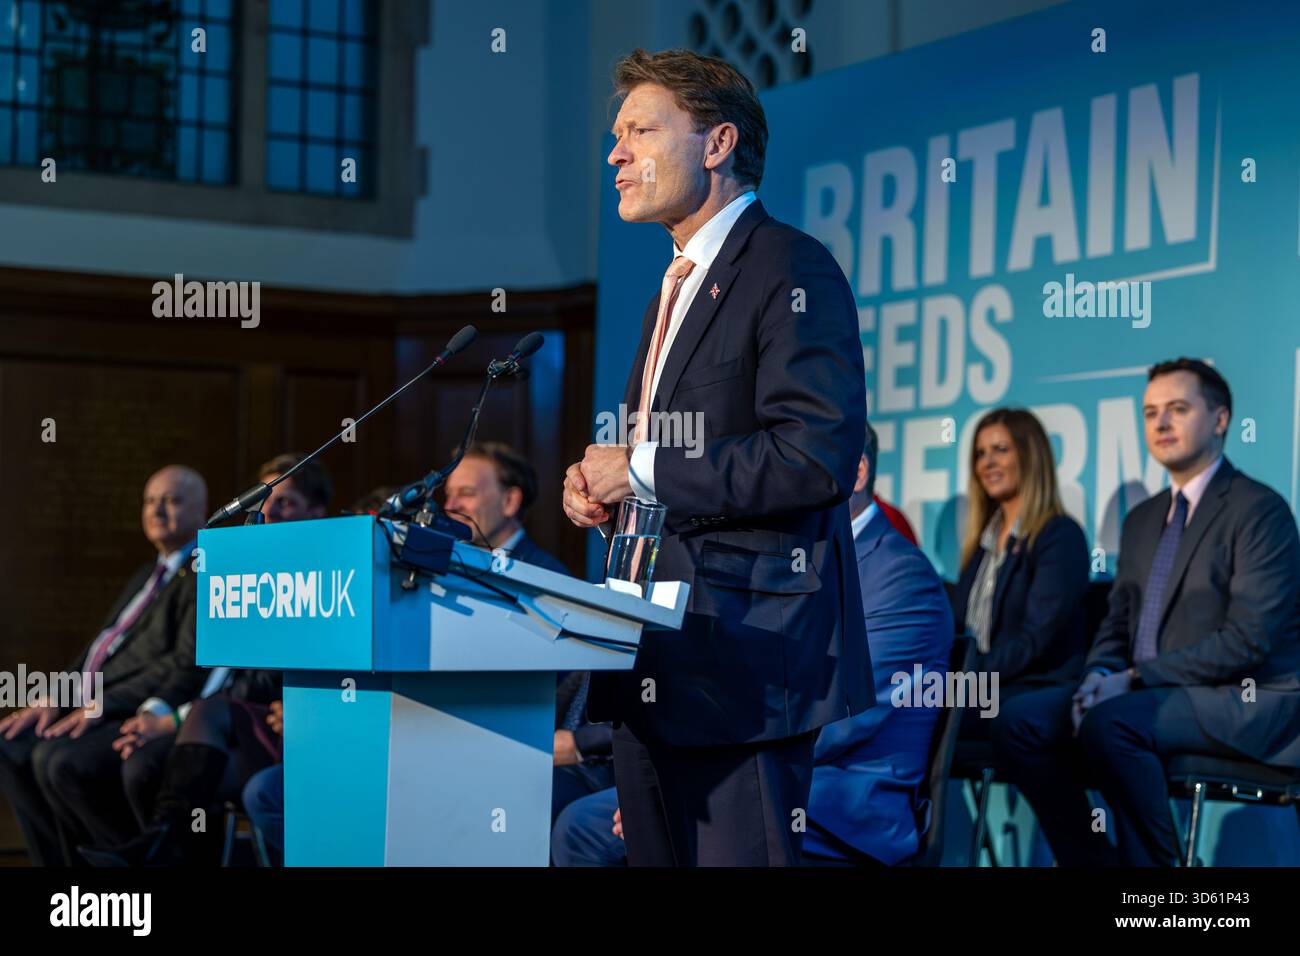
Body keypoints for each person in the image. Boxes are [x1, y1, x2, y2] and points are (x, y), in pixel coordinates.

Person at [563, 49, 869, 865]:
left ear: (718, 141)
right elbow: (670, 469)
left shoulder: (789, 266)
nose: (615, 155)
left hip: (744, 666)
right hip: (656, 660)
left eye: (639, 131)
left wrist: (641, 468)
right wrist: (610, 498)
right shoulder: (673, 283)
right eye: (615, 135)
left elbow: (814, 457)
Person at [553, 426, 951, 867]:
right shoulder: (797, 556)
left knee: (585, 827)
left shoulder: (900, 576)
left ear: (855, 474)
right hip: (760, 757)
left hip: (842, 795)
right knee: (598, 807)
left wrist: (702, 774)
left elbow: (849, 717)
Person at [992, 358, 1300, 866]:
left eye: (1177, 409)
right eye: (1151, 412)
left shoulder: (1259, 510)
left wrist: (1131, 680)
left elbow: (1250, 639)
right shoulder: (1143, 519)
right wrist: (1097, 675)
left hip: (1244, 696)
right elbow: (1117, 624)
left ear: (1220, 420)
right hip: (1146, 689)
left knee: (1112, 724)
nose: (1160, 424)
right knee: (1018, 723)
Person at [77, 454, 330, 866]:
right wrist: (158, 711)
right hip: (209, 719)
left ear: (316, 513)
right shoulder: (240, 570)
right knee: (125, 760)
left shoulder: (317, 580)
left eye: (286, 502)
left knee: (142, 765)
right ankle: (157, 850)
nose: (270, 511)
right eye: (264, 499)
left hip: (263, 727)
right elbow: (195, 663)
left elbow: (260, 683)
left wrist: (171, 720)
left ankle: (157, 850)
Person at [0, 465, 209, 864]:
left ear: (202, 512)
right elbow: (101, 650)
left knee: (56, 761)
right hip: (90, 699)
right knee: (9, 746)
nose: (157, 510)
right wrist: (54, 697)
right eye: (149, 501)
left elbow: (184, 665)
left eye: (171, 500)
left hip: (132, 708)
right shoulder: (148, 574)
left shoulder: (202, 573)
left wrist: (101, 705)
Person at [950, 408, 1090, 740]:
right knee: (904, 701)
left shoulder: (1058, 535)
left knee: (925, 713)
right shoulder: (981, 543)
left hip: (1033, 685)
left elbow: (1034, 640)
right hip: (983, 684)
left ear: (1030, 456)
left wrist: (964, 679)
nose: (987, 463)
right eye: (980, 454)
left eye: (1001, 450)